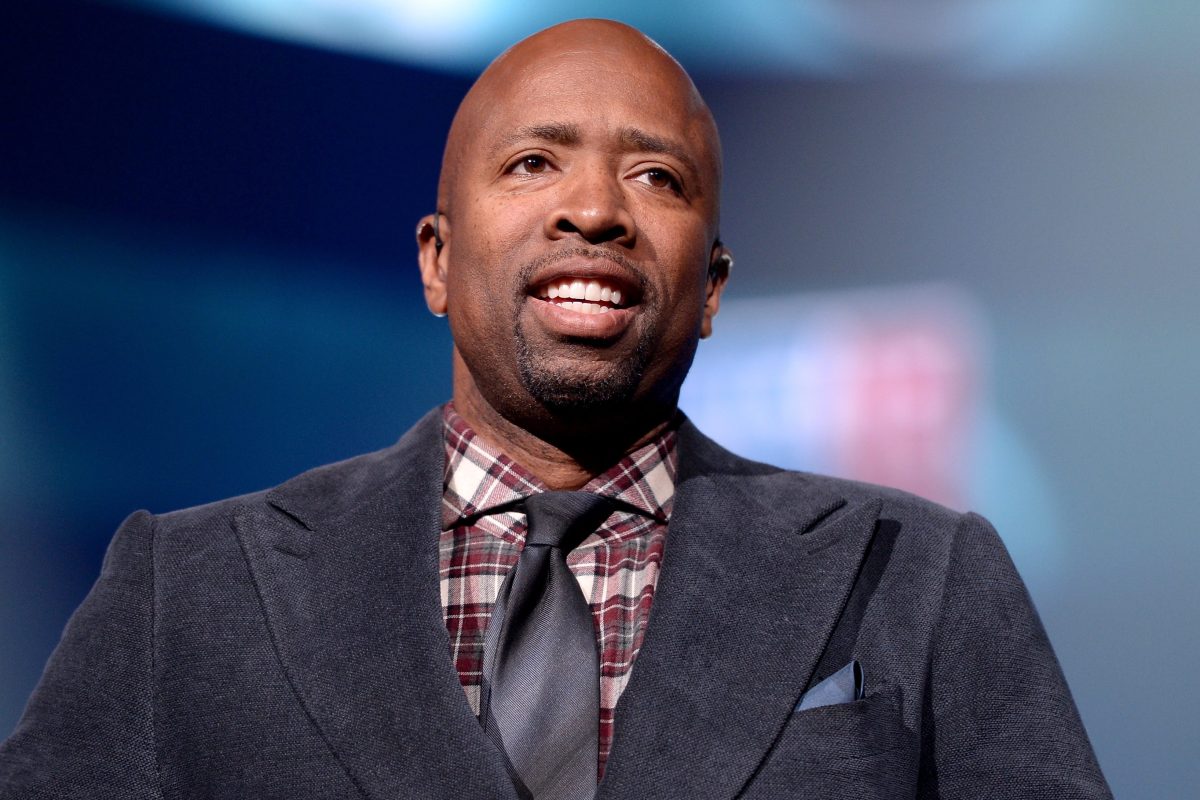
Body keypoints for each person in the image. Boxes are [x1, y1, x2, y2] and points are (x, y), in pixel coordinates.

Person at [0, 18, 1111, 800]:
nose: (594, 210)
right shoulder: (186, 589)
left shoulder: (922, 572)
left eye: (657, 179)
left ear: (713, 287)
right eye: (534, 163)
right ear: (436, 261)